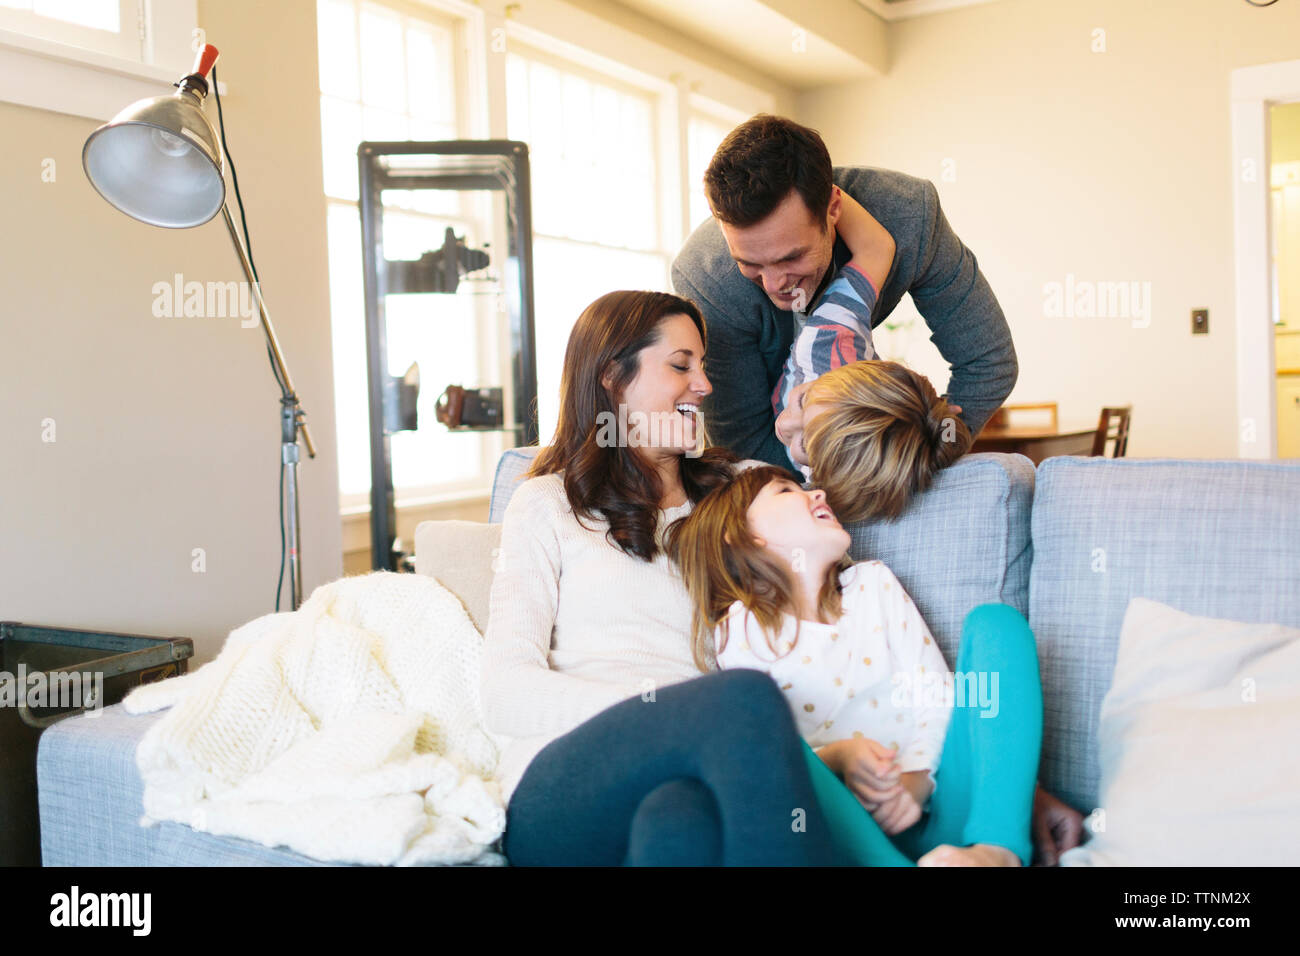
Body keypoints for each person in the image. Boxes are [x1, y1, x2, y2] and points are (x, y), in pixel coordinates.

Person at [481, 289, 846, 865]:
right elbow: (503, 691)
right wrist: (671, 709)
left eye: (703, 366)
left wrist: (815, 419)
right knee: (742, 700)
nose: (703, 385)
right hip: (560, 780)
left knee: (678, 822)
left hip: (694, 772)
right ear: (611, 378)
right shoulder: (546, 503)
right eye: (681, 365)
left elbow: (826, 582)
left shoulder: (744, 490)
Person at [665, 465, 1043, 866]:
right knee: (755, 724)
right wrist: (841, 757)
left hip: (939, 807)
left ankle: (997, 850)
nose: (818, 493)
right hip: (843, 830)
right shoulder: (739, 633)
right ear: (745, 536)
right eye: (786, 491)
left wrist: (916, 779)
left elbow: (934, 694)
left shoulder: (872, 585)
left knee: (995, 624)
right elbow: (771, 760)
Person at [671, 113, 1016, 474]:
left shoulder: (909, 216)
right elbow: (742, 448)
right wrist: (825, 490)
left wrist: (921, 461)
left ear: (834, 209)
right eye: (750, 265)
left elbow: (988, 363)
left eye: (792, 257)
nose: (775, 284)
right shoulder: (706, 277)